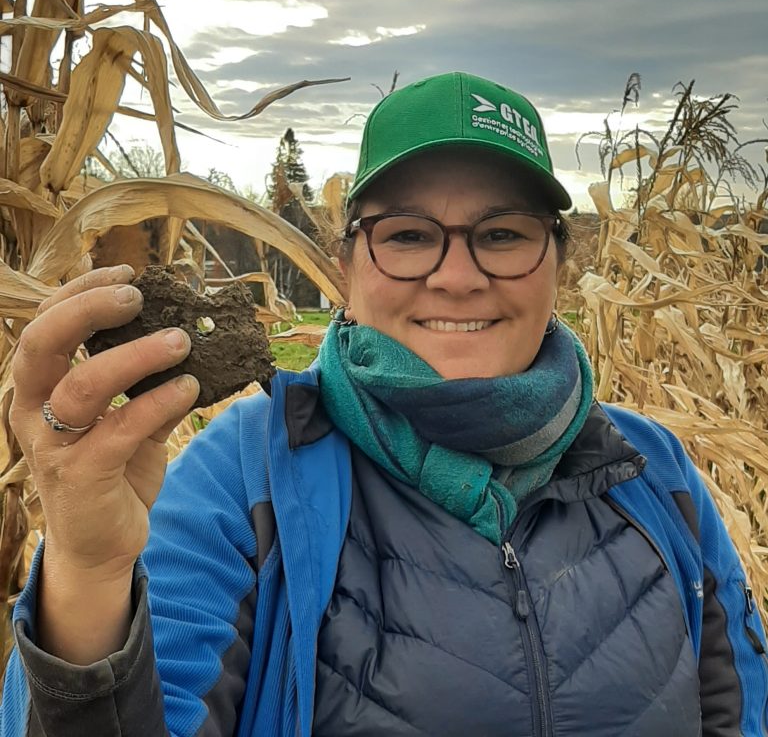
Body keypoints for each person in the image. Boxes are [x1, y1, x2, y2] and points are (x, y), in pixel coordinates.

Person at [1, 72, 766, 737]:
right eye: (407, 235)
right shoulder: (244, 479)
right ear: (346, 264)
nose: (458, 276)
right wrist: (91, 580)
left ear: (560, 260)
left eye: (502, 234)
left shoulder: (650, 473)